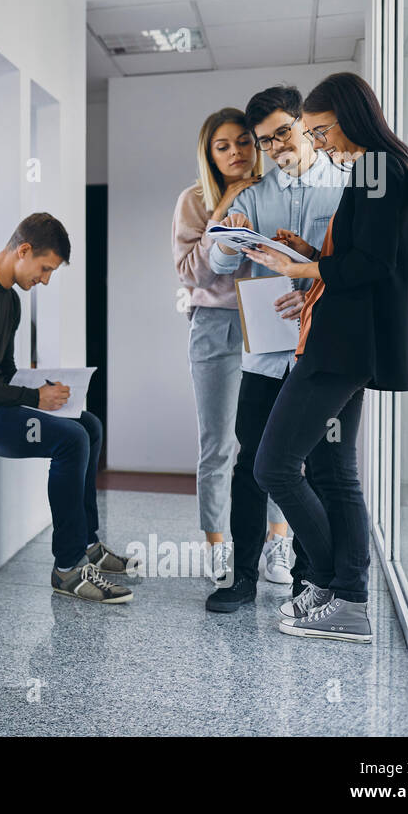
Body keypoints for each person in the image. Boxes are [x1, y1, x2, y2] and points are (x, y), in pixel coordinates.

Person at [245, 72, 408, 644]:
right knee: (332, 472)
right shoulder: (373, 170)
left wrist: (306, 268)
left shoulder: (376, 168)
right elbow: (358, 257)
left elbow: (374, 264)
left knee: (273, 466)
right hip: (344, 339)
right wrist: (308, 253)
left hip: (340, 345)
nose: (319, 144)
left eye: (320, 131)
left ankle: (333, 586)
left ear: (348, 117)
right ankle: (345, 594)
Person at [202, 86, 348, 613]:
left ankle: (311, 580)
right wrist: (227, 239)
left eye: (283, 132)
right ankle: (241, 578)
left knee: (319, 465)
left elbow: (357, 262)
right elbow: (218, 266)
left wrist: (316, 279)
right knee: (250, 463)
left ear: (303, 124)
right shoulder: (252, 196)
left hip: (323, 350)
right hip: (265, 353)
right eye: (264, 141)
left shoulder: (345, 182)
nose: (275, 146)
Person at [0, 213, 136, 603]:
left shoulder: (11, 301)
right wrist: (34, 399)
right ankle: (67, 569)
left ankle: (87, 544)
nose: (45, 280)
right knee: (70, 440)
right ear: (24, 250)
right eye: (45, 268)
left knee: (89, 425)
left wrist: (43, 388)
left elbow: (4, 372)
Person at [171, 108, 261, 583]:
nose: (235, 153)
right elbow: (190, 273)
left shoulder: (277, 191)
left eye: (243, 142)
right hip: (215, 323)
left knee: (271, 441)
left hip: (270, 321)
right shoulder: (194, 201)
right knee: (218, 443)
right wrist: (224, 207)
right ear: (210, 152)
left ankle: (277, 540)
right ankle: (216, 543)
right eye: (222, 146)